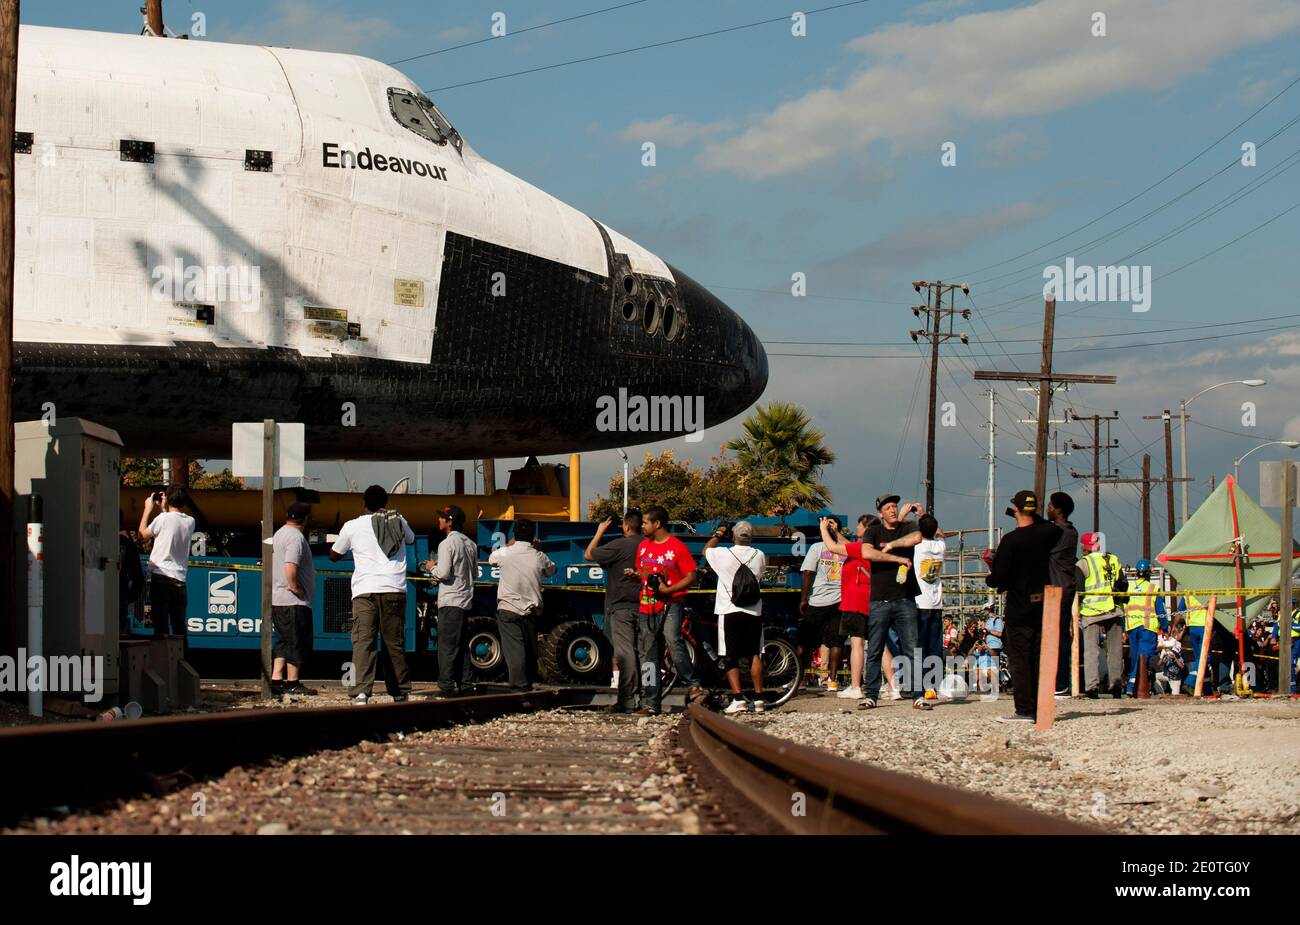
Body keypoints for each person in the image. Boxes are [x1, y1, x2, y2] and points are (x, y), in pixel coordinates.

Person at [330, 485, 415, 705]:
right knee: (393, 642)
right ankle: (399, 692)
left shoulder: (352, 526)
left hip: (365, 590)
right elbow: (411, 539)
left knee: (363, 641)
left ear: (363, 503)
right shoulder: (398, 520)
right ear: (385, 503)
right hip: (394, 589)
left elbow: (335, 554)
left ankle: (361, 692)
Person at [984, 490, 1062, 723]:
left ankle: (1024, 710)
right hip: (1044, 604)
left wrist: (991, 572)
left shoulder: (1011, 540)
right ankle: (1041, 707)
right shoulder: (1048, 533)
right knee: (1040, 658)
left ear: (1015, 509)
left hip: (1019, 606)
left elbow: (998, 578)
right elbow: (1051, 528)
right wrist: (1032, 516)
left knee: (1020, 659)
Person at [817, 513, 911, 705]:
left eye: (860, 526)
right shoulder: (875, 547)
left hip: (855, 600)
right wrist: (836, 532)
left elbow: (833, 547)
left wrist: (823, 530)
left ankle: (856, 686)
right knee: (880, 645)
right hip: (873, 599)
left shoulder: (862, 547)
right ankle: (894, 687)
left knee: (857, 643)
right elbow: (848, 547)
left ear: (866, 530)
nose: (857, 529)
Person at [863, 495, 927, 704]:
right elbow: (867, 553)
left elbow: (916, 538)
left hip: (905, 597)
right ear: (880, 513)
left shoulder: (907, 526)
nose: (892, 510)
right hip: (880, 599)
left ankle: (918, 694)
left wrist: (890, 545)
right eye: (887, 507)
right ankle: (871, 695)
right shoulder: (873, 530)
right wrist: (897, 557)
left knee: (912, 647)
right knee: (875, 648)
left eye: (894, 506)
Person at [635, 506, 699, 708]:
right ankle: (649, 702)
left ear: (657, 524)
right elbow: (642, 570)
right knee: (648, 653)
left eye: (645, 522)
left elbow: (691, 576)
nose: (642, 525)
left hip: (671, 603)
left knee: (672, 640)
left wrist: (669, 591)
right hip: (647, 606)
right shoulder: (643, 546)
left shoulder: (677, 547)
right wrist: (636, 575)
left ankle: (693, 684)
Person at [704, 521, 768, 714]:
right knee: (754, 653)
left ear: (733, 536)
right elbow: (761, 574)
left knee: (729, 655)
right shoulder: (760, 555)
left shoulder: (723, 554)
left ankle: (738, 698)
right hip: (754, 610)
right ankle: (759, 699)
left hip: (729, 608)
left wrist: (719, 533)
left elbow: (706, 549)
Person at [584, 510, 645, 713]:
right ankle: (648, 698)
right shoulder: (649, 545)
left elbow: (589, 554)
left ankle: (627, 698)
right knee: (645, 651)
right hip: (646, 605)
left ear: (626, 526)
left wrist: (599, 532)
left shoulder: (620, 545)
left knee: (624, 652)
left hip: (622, 606)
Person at [489, 518, 556, 692]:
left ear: (514, 535)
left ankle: (519, 688)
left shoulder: (505, 553)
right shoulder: (539, 556)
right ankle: (528, 682)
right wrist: (538, 549)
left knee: (515, 650)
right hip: (531, 610)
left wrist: (512, 542)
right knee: (529, 648)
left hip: (509, 607)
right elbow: (551, 570)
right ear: (533, 536)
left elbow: (491, 559)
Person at [422, 504, 478, 698]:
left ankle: (446, 686)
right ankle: (467, 685)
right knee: (461, 645)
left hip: (450, 600)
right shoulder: (471, 544)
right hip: (465, 600)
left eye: (442, 517)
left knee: (446, 645)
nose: (439, 520)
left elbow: (444, 573)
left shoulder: (446, 544)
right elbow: (475, 573)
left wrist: (432, 567)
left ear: (450, 522)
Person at [138, 487, 196, 654]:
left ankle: (162, 663)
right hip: (180, 581)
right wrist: (163, 509)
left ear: (168, 499)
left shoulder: (162, 519)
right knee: (179, 627)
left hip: (161, 578)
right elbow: (172, 526)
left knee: (161, 626)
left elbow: (142, 535)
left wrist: (147, 509)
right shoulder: (190, 522)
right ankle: (182, 663)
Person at [271, 502, 317, 696]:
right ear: (306, 518)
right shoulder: (296, 538)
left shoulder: (279, 533)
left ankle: (276, 678)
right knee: (296, 641)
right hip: (293, 600)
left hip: (279, 598)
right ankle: (292, 681)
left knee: (283, 640)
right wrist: (295, 587)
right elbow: (291, 565)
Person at [798, 518, 848, 692]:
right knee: (836, 641)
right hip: (840, 601)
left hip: (818, 600)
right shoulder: (845, 549)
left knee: (805, 641)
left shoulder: (817, 548)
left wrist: (804, 598)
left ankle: (801, 678)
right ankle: (833, 680)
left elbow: (807, 572)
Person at [1075, 532, 1125, 699]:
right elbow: (1123, 585)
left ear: (1085, 546)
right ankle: (1116, 686)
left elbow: (1079, 590)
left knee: (1091, 651)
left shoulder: (1083, 563)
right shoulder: (1113, 560)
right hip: (1114, 608)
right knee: (1115, 650)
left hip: (1091, 611)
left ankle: (1092, 687)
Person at [1046, 492, 1078, 695]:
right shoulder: (1068, 531)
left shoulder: (1062, 532)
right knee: (1058, 635)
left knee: (1057, 637)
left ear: (1058, 510)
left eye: (1050, 505)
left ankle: (1060, 683)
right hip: (1062, 587)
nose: (1048, 508)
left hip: (1058, 589)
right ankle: (1058, 681)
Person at [913, 513, 946, 692]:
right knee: (935, 646)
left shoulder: (918, 547)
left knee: (920, 646)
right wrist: (923, 513)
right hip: (936, 602)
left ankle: (921, 685)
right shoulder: (941, 547)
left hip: (920, 602)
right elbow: (941, 534)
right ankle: (935, 684)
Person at [1124, 559, 1167, 696]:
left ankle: (1134, 685)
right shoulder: (1152, 588)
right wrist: (1165, 628)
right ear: (1149, 573)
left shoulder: (1129, 587)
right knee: (1143, 657)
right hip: (1147, 628)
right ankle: (1132, 685)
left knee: (1136, 657)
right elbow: (1160, 610)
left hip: (1132, 627)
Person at [118, 531, 144, 636]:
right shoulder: (127, 544)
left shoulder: (96, 538)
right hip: (120, 593)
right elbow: (138, 577)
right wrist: (129, 597)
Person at [980, 605, 1004, 692]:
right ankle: (995, 686)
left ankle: (998, 685)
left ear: (990, 609)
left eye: (985, 609)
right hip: (989, 645)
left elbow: (1000, 633)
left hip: (995, 645)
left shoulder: (997, 620)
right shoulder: (988, 620)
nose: (984, 611)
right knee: (989, 667)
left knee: (994, 667)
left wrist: (987, 630)